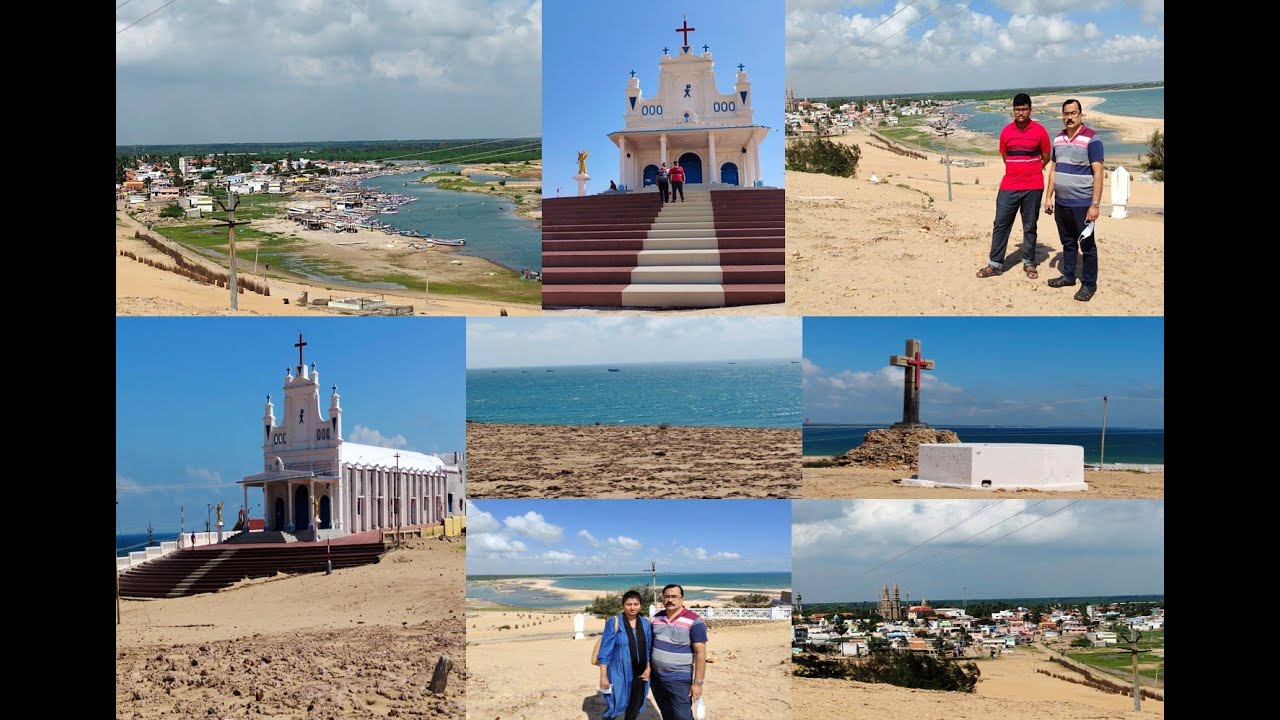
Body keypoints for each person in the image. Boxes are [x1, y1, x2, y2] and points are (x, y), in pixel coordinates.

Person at [977, 93, 1052, 280]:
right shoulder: (1006, 132)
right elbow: (1006, 157)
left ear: (1030, 110)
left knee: (1029, 226)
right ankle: (995, 264)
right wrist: (1018, 169)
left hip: (1033, 186)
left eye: (1024, 109)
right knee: (1001, 224)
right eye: (1017, 109)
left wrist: (1034, 168)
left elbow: (1046, 156)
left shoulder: (1040, 131)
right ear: (1013, 111)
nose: (1021, 113)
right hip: (1009, 185)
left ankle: (1029, 262)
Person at [1043, 98, 1104, 301]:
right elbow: (1054, 168)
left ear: (1081, 115)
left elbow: (1098, 174)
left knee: (1087, 246)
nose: (1069, 117)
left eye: (1073, 113)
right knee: (1068, 243)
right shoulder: (1058, 139)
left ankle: (1089, 284)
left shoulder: (1092, 139)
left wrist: (1094, 205)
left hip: (1082, 204)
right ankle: (1068, 276)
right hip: (1062, 203)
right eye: (1066, 114)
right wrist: (1048, 197)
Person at [649, 584, 707, 720]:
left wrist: (697, 683)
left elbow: (701, 653)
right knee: (666, 712)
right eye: (666, 596)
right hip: (656, 678)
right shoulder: (656, 619)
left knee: (682, 715)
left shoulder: (694, 621)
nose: (670, 600)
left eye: (674, 596)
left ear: (682, 599)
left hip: (679, 678)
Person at [596, 590, 652, 720]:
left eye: (636, 604)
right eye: (629, 604)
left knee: (635, 703)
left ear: (640, 605)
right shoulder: (614, 622)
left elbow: (648, 648)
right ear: (623, 605)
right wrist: (603, 675)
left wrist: (649, 667)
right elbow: (605, 650)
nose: (632, 607)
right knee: (616, 703)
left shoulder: (645, 623)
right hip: (618, 671)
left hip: (640, 672)